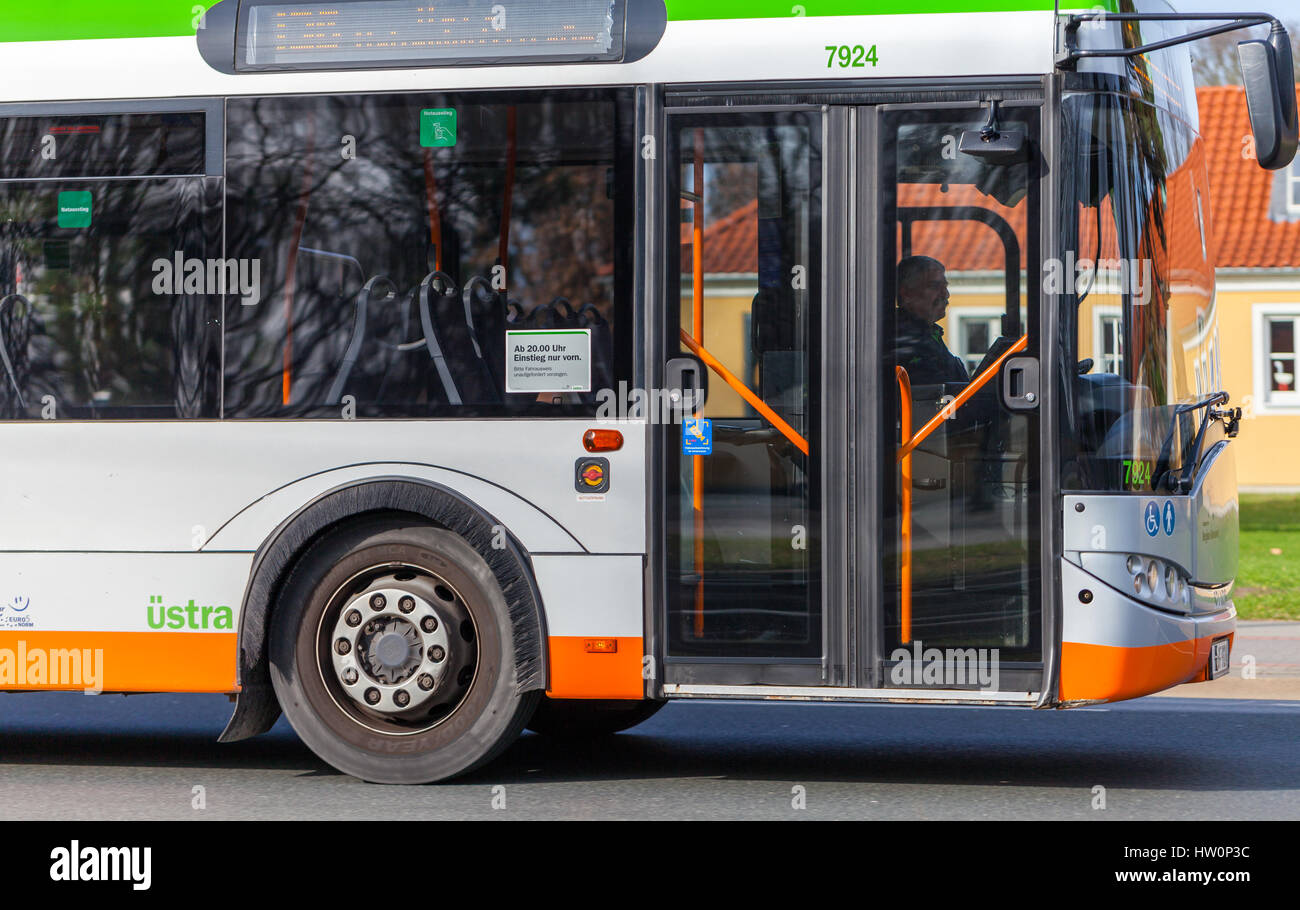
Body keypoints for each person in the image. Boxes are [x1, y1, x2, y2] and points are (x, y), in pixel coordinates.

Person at [894, 255, 969, 388]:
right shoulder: (902, 339)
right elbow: (932, 388)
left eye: (945, 286)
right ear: (907, 294)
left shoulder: (928, 333)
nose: (945, 294)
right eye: (935, 286)